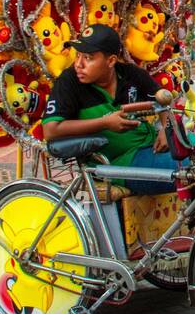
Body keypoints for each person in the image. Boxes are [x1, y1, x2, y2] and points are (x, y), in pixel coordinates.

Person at [40, 24, 178, 196]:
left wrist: (166, 128)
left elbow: (162, 98)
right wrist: (105, 123)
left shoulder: (129, 74)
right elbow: (51, 129)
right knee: (188, 169)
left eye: (88, 58)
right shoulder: (69, 82)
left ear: (111, 61)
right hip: (117, 164)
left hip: (150, 148)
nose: (79, 64)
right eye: (78, 56)